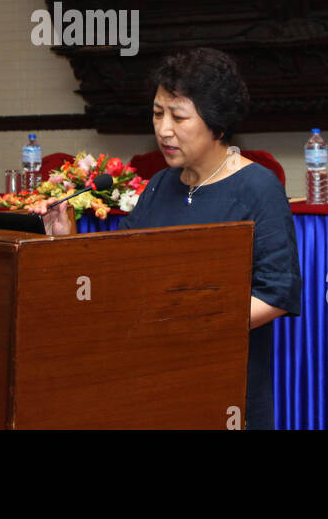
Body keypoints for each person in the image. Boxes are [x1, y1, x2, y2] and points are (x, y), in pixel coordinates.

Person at [43, 47, 301, 429]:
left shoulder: (257, 187)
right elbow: (119, 270)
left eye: (178, 116)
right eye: (157, 113)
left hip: (222, 388)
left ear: (217, 122)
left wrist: (191, 324)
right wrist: (67, 241)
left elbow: (277, 293)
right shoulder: (160, 185)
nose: (164, 129)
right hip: (154, 382)